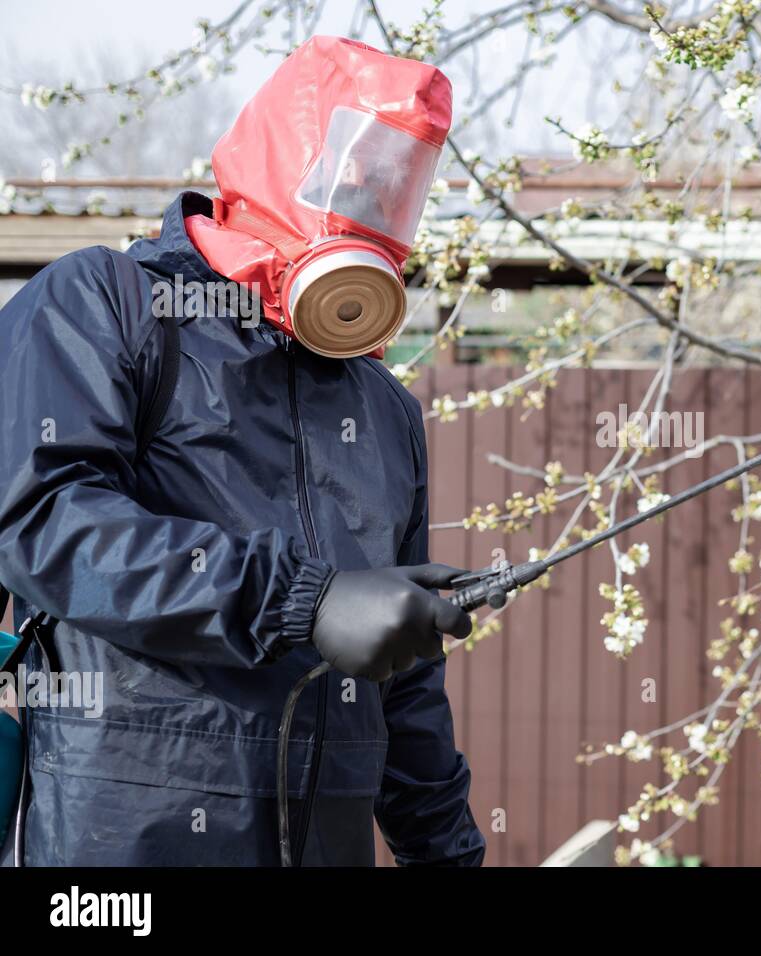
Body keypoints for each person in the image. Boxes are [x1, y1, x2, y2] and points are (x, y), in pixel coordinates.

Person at [0, 36, 485, 866]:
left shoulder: (384, 410)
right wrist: (303, 600)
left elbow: (404, 685)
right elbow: (44, 521)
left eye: (398, 179)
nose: (370, 196)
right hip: (121, 841)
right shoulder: (106, 306)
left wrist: (446, 852)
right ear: (280, 151)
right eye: (351, 166)